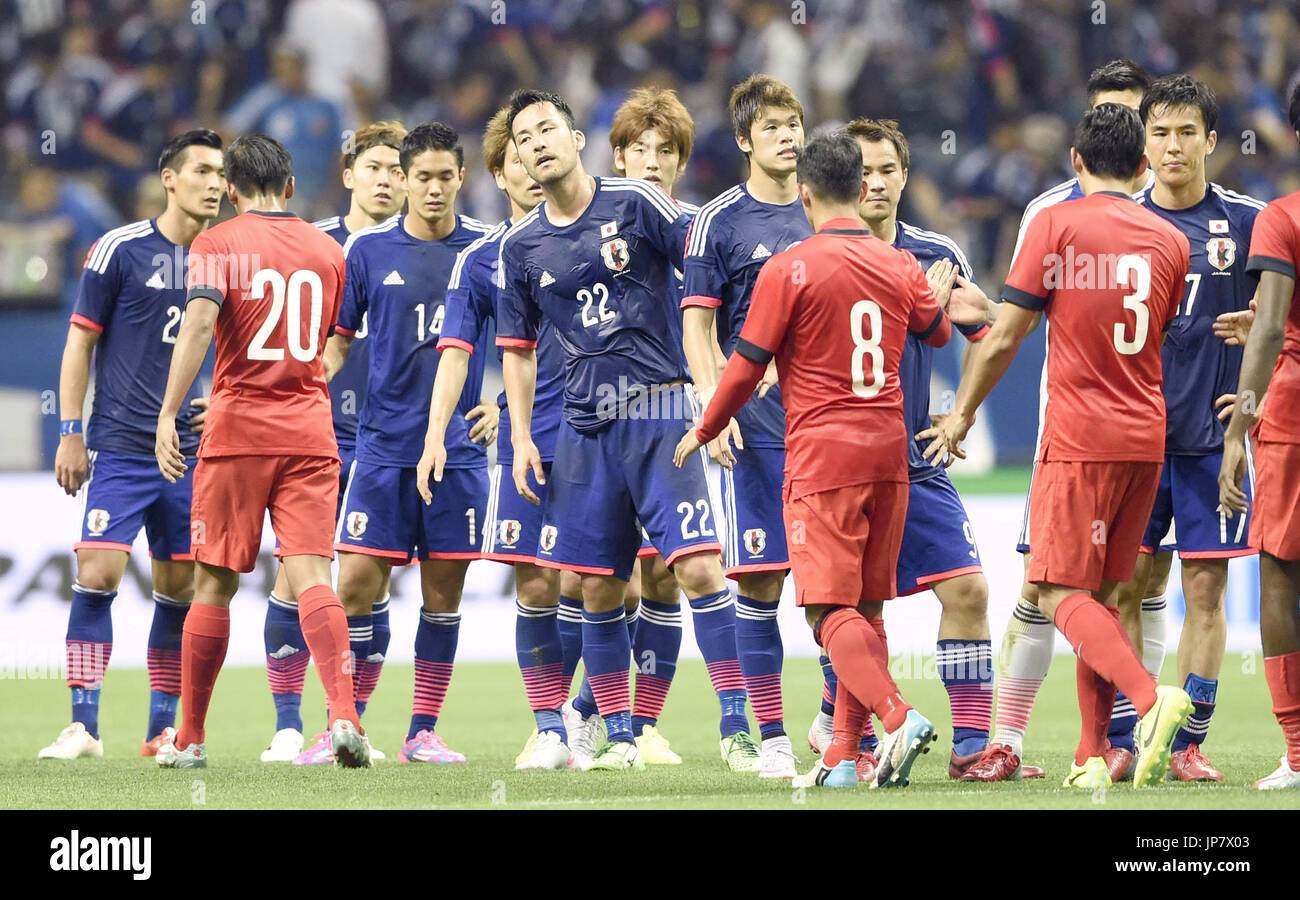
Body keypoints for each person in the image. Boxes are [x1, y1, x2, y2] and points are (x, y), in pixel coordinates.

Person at [675, 133, 982, 788]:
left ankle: (895, 715)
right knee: (867, 609)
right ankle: (843, 756)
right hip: (891, 456)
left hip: (822, 458)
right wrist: (927, 293)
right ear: (859, 188)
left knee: (824, 611)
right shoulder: (899, 262)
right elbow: (938, 331)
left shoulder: (790, 267)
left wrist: (707, 426)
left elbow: (743, 367)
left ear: (807, 195)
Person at [926, 103, 1193, 789]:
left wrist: (960, 413)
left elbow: (1010, 334)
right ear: (1142, 168)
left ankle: (1148, 697)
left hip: (1079, 434)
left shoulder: (1055, 221)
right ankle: (1090, 753)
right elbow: (1150, 331)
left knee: (1049, 589)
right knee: (1102, 597)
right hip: (1146, 433)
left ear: (1075, 161)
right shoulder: (1170, 240)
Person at [496, 89, 735, 772]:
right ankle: (611, 733)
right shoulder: (520, 246)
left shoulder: (639, 203)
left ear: (577, 140)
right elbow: (517, 349)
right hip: (583, 426)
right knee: (594, 584)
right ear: (517, 158)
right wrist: (519, 438)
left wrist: (719, 385)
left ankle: (743, 729)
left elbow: (709, 259)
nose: (536, 142)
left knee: (689, 565)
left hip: (661, 410)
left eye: (548, 129)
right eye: (523, 138)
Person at [971, 59, 1163, 783]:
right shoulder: (1060, 212)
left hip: (1095, 435)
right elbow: (1014, 313)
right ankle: (1022, 740)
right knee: (1053, 588)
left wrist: (962, 408)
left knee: (1123, 589)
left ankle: (1121, 729)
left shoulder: (1148, 213)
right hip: (1115, 429)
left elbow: (1010, 328)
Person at [153, 132, 368, 769]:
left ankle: (189, 739)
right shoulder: (330, 251)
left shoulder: (216, 242)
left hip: (238, 431)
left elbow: (197, 322)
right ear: (292, 187)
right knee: (311, 577)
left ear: (232, 190)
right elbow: (330, 343)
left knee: (213, 582)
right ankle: (344, 715)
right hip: (309, 430)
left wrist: (169, 412)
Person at [809, 117, 998, 782]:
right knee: (863, 608)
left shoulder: (935, 253)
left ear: (905, 176)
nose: (876, 181)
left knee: (969, 590)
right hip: (843, 464)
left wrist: (961, 412)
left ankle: (972, 748)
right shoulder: (816, 253)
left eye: (889, 169)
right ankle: (844, 732)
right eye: (863, 170)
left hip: (915, 462)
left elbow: (994, 328)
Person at [40, 130, 223, 762]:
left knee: (177, 586)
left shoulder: (227, 258)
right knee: (99, 570)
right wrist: (70, 430)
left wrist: (223, 400)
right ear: (169, 177)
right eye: (200, 170)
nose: (214, 182)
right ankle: (84, 725)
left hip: (194, 452)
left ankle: (160, 732)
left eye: (220, 173)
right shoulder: (118, 249)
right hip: (120, 444)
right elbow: (78, 344)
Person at [323, 122, 496, 766]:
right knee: (355, 586)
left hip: (459, 451)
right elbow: (341, 338)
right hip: (381, 447)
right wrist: (308, 387)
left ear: (461, 177)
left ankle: (422, 730)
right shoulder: (366, 251)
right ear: (403, 179)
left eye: (444, 176)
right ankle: (349, 724)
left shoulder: (486, 250)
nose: (430, 188)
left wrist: (503, 405)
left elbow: (528, 337)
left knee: (443, 593)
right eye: (418, 176)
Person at [414, 107, 568, 769]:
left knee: (605, 584)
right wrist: (438, 431)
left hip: (606, 435)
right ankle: (552, 727)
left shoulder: (598, 235)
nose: (533, 167)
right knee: (535, 585)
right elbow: (457, 352)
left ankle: (609, 723)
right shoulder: (482, 261)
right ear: (502, 176)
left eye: (541, 149)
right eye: (517, 158)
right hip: (529, 446)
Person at [260, 120, 408, 764]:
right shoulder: (312, 244)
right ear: (348, 176)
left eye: (397, 171)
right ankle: (288, 724)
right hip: (313, 432)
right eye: (373, 167)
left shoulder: (426, 246)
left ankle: (347, 727)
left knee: (366, 586)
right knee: (299, 579)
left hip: (389, 441)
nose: (386, 180)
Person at [1131, 74, 1264, 782]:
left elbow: (1283, 326)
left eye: (1187, 132)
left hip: (1216, 444)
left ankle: (1187, 744)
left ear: (1212, 140)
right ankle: (1127, 731)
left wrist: (1252, 405)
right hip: (1134, 439)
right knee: (1128, 584)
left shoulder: (1249, 221)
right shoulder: (1119, 223)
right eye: (1160, 132)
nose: (1173, 146)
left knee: (1205, 590)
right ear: (1143, 142)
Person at [679, 75, 813, 778]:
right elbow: (697, 323)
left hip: (825, 429)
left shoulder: (827, 210)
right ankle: (771, 739)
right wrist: (714, 408)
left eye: (794, 124)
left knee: (836, 587)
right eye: (772, 128)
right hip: (754, 431)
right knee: (762, 581)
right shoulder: (718, 222)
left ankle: (835, 726)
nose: (788, 137)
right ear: (743, 141)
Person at [1218, 80, 1300, 791]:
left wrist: (1240, 426)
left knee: (1279, 570)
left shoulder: (1282, 217)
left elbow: (1269, 328)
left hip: (1293, 415)